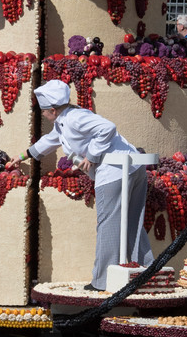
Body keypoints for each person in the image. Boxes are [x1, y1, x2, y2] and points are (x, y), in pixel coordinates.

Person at [22, 79, 152, 291]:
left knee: (108, 225)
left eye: (44, 111)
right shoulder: (65, 120)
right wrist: (23, 156)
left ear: (53, 110)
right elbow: (49, 140)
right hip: (133, 167)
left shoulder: (74, 119)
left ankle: (102, 282)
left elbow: (108, 128)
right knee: (132, 222)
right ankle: (146, 274)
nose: (43, 115)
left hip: (115, 171)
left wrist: (91, 155)